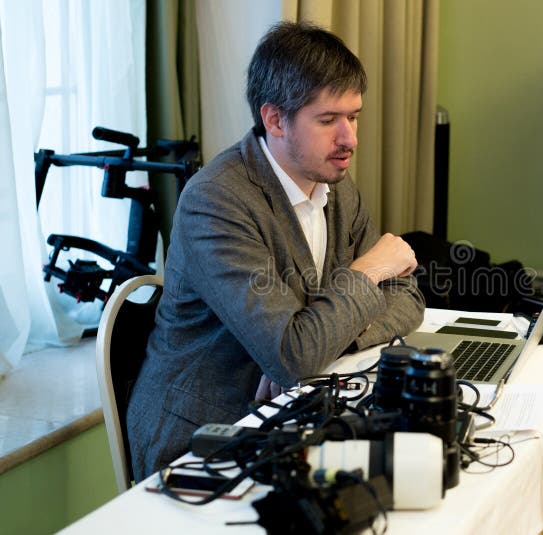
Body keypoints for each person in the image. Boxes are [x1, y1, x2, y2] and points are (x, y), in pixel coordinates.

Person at [127, 21, 425, 481]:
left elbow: (408, 300)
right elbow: (293, 353)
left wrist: (319, 346)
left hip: (293, 417)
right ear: (274, 119)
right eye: (329, 120)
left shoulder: (337, 187)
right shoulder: (216, 201)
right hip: (203, 441)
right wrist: (366, 275)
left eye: (354, 116)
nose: (350, 139)